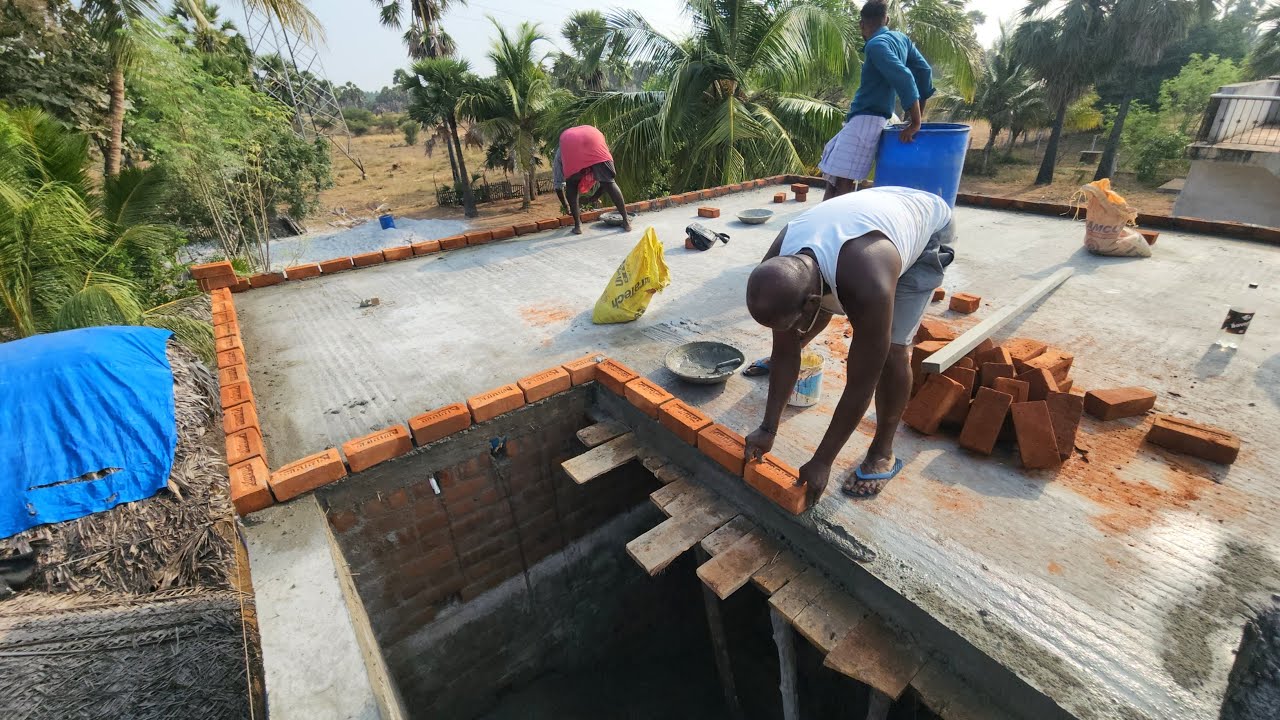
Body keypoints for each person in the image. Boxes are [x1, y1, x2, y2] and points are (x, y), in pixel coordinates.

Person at [743, 186, 955, 503]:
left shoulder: (870, 282)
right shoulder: (778, 265)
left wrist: (822, 461)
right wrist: (768, 428)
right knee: (792, 331)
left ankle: (883, 450)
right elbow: (785, 351)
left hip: (925, 230)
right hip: (868, 216)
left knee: (892, 353)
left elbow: (860, 385)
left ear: (813, 301)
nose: (789, 333)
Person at [818, 0, 934, 200]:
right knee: (834, 178)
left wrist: (915, 122)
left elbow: (904, 77)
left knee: (843, 180)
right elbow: (924, 72)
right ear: (886, 19)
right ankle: (824, 225)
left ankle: (837, 229)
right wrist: (919, 110)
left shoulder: (876, 45)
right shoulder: (901, 39)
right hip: (868, 119)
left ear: (861, 25)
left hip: (867, 119)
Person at [552, 125, 631, 233]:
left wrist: (566, 206)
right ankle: (626, 222)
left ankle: (578, 226)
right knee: (610, 183)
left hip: (592, 143)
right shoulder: (593, 145)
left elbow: (558, 185)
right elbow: (607, 180)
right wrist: (594, 197)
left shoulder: (561, 152)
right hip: (595, 140)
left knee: (571, 185)